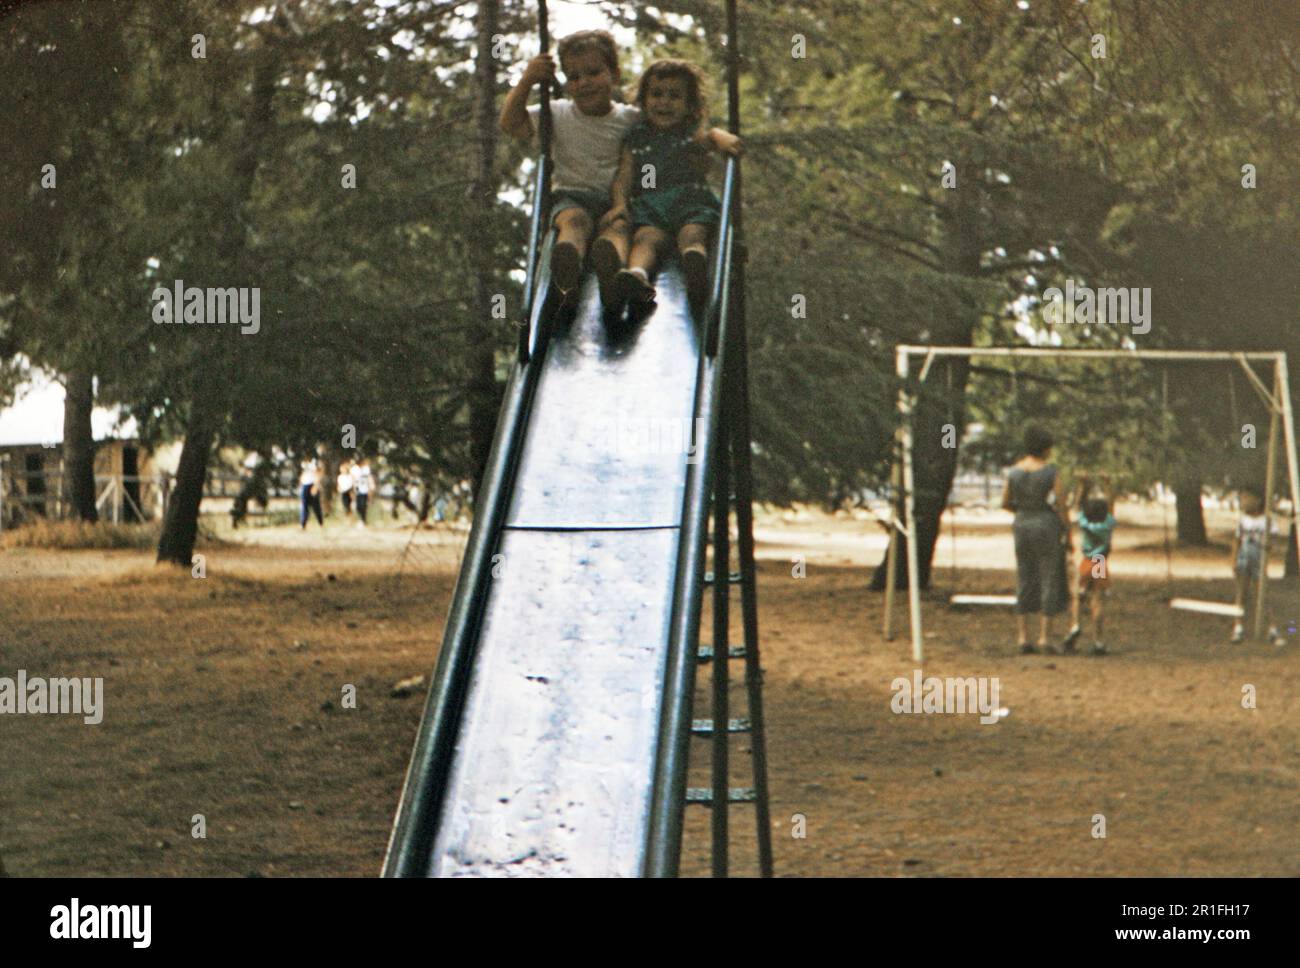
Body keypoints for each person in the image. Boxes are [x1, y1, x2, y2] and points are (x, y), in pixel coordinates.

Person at [499, 31, 740, 305]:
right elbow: (510, 124)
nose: (585, 82)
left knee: (618, 228)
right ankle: (568, 275)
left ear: (614, 73)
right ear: (567, 83)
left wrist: (716, 137)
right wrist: (527, 80)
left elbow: (678, 131)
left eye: (593, 72)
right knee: (575, 222)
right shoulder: (557, 113)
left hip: (616, 204)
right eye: (575, 77)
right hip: (573, 197)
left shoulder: (632, 119)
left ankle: (612, 274)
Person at [609, 58, 731, 312]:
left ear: (689, 106)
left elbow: (710, 139)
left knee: (692, 232)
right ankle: (638, 275)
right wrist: (620, 205)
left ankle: (694, 259)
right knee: (646, 238)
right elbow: (625, 176)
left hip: (689, 202)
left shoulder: (690, 133)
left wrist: (720, 136)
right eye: (656, 94)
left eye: (675, 96)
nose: (664, 102)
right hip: (652, 205)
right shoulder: (637, 137)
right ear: (643, 99)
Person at [1001, 425, 1071, 653]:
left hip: (1021, 523)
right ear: (1045, 448)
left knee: (1024, 575)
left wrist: (1022, 511)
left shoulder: (1013, 472)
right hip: (1046, 524)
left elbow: (1005, 502)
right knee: (1049, 576)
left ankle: (1023, 636)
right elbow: (1061, 504)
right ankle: (1044, 637)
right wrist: (1067, 531)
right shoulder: (1051, 471)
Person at [1062, 473, 1117, 655]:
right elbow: (1111, 506)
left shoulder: (1085, 524)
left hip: (1086, 562)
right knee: (1097, 600)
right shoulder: (1108, 524)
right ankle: (1099, 640)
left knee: (1078, 596)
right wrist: (1107, 485)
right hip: (1100, 561)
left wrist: (1082, 487)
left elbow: (1077, 507)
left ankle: (1076, 624)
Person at [1230, 485, 1285, 645]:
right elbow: (1236, 541)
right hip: (1243, 559)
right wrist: (1233, 561)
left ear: (1258, 500)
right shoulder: (1242, 520)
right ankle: (1238, 628)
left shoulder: (1266, 521)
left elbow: (1273, 541)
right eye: (1242, 498)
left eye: (1247, 498)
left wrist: (1268, 547)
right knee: (1242, 594)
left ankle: (1272, 629)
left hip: (1258, 560)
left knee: (1263, 595)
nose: (1243, 502)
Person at [299, 457, 324, 529]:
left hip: (312, 484)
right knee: (304, 505)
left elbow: (319, 473)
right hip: (305, 485)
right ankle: (303, 524)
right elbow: (303, 474)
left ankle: (320, 523)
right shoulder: (303, 462)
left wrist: (316, 486)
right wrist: (301, 484)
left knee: (316, 506)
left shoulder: (314, 461)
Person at [351, 456, 373, 527]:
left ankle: (364, 519)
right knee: (358, 506)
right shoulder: (354, 469)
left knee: (363, 505)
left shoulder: (366, 469)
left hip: (365, 489)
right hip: (357, 489)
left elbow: (369, 478)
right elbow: (353, 479)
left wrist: (370, 488)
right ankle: (361, 519)